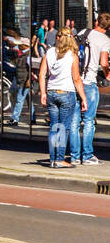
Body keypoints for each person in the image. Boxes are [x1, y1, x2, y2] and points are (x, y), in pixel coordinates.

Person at [40, 27, 88, 168]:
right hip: (66, 93)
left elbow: (42, 74)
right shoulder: (72, 55)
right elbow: (77, 79)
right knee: (63, 128)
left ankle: (53, 159)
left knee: (54, 127)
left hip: (51, 93)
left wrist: (43, 93)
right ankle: (59, 159)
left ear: (58, 38)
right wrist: (83, 98)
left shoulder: (49, 52)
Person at [75, 13, 110, 165]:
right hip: (89, 82)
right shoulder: (105, 40)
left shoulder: (84, 32)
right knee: (89, 121)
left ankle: (75, 156)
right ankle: (87, 155)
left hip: (76, 81)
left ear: (96, 22)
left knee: (74, 121)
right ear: (108, 28)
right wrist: (108, 75)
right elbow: (103, 61)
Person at [6, 34, 42, 127]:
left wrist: (29, 80)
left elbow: (31, 69)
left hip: (25, 81)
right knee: (28, 100)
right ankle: (32, 118)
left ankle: (15, 118)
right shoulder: (24, 54)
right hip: (23, 80)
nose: (19, 46)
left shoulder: (28, 55)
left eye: (21, 44)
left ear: (25, 45)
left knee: (19, 99)